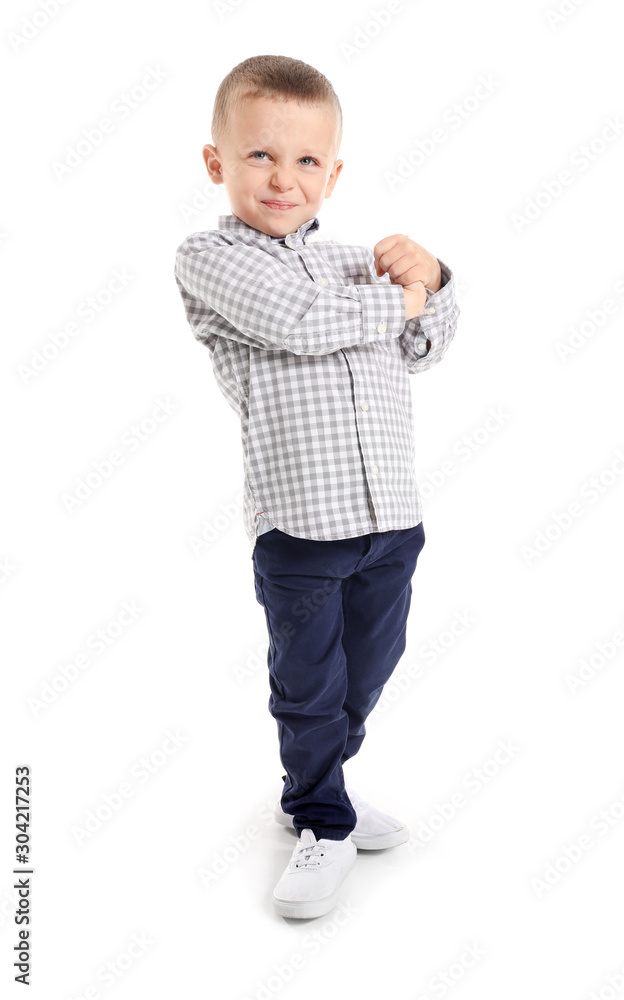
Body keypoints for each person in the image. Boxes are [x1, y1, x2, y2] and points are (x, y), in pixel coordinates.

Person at [174, 54, 460, 920]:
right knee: (307, 684)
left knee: (368, 671)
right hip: (301, 529)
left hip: (390, 520)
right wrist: (407, 295)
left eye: (306, 162)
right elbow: (300, 327)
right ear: (218, 162)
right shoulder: (211, 259)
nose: (282, 178)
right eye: (260, 155)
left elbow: (425, 347)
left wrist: (434, 281)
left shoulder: (352, 263)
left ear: (333, 173)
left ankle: (314, 782)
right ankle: (322, 816)